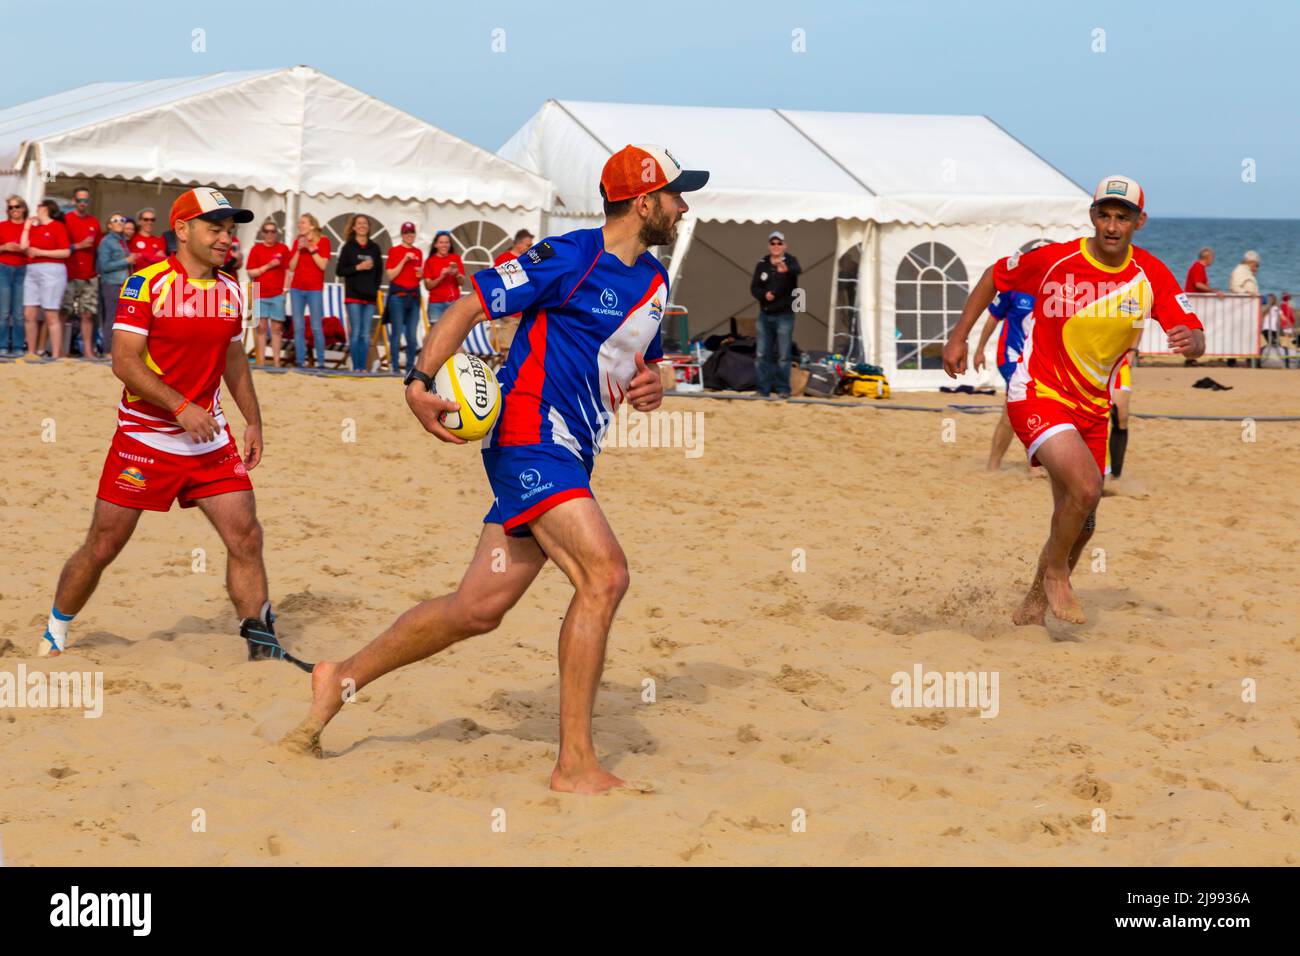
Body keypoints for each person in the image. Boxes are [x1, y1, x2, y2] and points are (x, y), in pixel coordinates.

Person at [282, 143, 709, 794]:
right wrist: (419, 381)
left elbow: (642, 362)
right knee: (606, 575)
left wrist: (658, 381)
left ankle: (339, 676)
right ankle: (575, 764)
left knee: (477, 609)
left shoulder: (653, 281)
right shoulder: (568, 256)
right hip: (528, 436)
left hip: (571, 453)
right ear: (643, 202)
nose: (683, 206)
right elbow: (469, 304)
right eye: (676, 195)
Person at [39, 186, 305, 670]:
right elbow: (124, 361)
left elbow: (233, 359)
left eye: (230, 230)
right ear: (182, 230)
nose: (227, 238)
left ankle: (260, 636)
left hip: (211, 439)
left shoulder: (229, 288)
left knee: (246, 536)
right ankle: (57, 626)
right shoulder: (146, 283)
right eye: (215, 228)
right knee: (103, 545)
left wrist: (253, 421)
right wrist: (181, 406)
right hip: (145, 438)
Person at [943, 174, 1205, 626]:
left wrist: (1193, 340)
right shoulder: (1055, 259)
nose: (1111, 225)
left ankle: (1032, 604)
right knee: (1087, 488)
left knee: (1082, 521)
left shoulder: (1150, 274)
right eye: (1104, 214)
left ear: (1139, 222)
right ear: (1092, 216)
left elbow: (1195, 333)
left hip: (1092, 408)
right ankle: (1057, 574)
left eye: (1122, 217)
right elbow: (993, 276)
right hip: (1038, 391)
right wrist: (959, 336)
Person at [972, 288, 1040, 473]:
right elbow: (993, 318)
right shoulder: (1014, 289)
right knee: (1020, 408)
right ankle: (1004, 465)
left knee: (1020, 410)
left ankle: (1002, 464)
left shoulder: (1053, 287)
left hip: (1036, 360)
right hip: (1010, 357)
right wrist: (980, 350)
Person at [750, 230, 802, 398]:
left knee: (783, 355)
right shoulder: (762, 263)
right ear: (769, 245)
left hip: (784, 315)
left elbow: (797, 271)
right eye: (773, 243)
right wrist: (764, 295)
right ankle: (762, 390)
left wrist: (785, 270)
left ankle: (783, 390)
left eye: (779, 243)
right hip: (765, 315)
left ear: (784, 245)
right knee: (761, 354)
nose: (776, 246)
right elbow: (754, 287)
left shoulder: (790, 261)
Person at [21, 199, 71, 359]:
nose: (37, 208)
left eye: (40, 206)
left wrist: (41, 252)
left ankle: (56, 353)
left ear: (47, 209)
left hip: (52, 269)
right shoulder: (35, 228)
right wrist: (27, 227)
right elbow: (23, 247)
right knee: (29, 312)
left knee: (51, 313)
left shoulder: (58, 226)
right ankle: (31, 351)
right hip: (32, 269)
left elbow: (65, 252)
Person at [335, 213, 383, 371]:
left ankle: (364, 367)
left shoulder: (375, 248)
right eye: (359, 223)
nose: (362, 226)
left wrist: (374, 290)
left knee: (364, 334)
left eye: (365, 223)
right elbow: (339, 270)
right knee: (355, 333)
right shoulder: (348, 247)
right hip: (353, 297)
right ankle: (356, 367)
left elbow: (379, 274)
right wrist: (358, 267)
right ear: (354, 227)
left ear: (368, 228)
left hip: (369, 298)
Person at [63, 187, 103, 358]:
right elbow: (59, 246)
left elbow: (99, 248)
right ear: (74, 201)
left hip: (89, 274)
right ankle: (59, 350)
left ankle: (87, 351)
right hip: (69, 272)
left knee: (87, 314)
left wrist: (98, 271)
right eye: (79, 200)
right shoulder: (66, 220)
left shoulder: (94, 222)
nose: (82, 204)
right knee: (64, 312)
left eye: (85, 201)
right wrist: (79, 245)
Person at [287, 213, 330, 368]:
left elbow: (323, 265)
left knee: (316, 326)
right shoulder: (297, 242)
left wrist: (311, 249)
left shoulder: (323, 241)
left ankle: (321, 362)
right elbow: (291, 267)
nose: (300, 225)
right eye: (299, 223)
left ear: (312, 225)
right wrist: (298, 250)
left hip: (314, 290)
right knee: (298, 327)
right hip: (297, 289)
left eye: (303, 223)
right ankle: (300, 361)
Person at [245, 219, 290, 367]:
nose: (270, 234)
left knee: (277, 329)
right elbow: (250, 272)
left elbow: (289, 271)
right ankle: (261, 362)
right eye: (267, 231)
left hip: (277, 294)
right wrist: (268, 266)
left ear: (276, 233)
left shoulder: (283, 249)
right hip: (260, 293)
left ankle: (277, 363)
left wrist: (285, 290)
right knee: (262, 328)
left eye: (273, 231)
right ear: (262, 233)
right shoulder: (256, 249)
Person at [383, 221, 423, 375]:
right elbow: (390, 275)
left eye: (412, 233)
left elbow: (417, 277)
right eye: (407, 233)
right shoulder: (394, 251)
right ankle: (393, 367)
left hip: (413, 297)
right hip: (397, 298)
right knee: (396, 333)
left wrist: (420, 275)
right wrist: (404, 260)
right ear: (402, 235)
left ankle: (409, 369)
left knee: (412, 336)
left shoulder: (418, 252)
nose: (409, 235)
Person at [95, 212, 133, 356]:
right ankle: (107, 350)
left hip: (122, 283)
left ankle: (115, 350)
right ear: (109, 225)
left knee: (120, 318)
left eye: (122, 220)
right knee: (111, 317)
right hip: (112, 283)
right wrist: (126, 261)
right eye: (115, 220)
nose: (119, 222)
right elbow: (104, 266)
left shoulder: (121, 241)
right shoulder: (107, 241)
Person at [0, 195, 28, 356]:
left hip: (23, 269)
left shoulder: (28, 227)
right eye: (11, 208)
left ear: (23, 208)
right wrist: (5, 247)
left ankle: (18, 345)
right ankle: (2, 345)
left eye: (17, 207)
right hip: (4, 268)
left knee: (18, 313)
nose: (14, 210)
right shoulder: (2, 226)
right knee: (3, 312)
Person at [421, 230, 463, 327]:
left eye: (447, 242)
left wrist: (457, 274)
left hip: (453, 302)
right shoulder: (430, 261)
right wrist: (441, 277)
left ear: (450, 244)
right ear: (435, 245)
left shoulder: (455, 258)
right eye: (441, 242)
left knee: (454, 334)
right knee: (436, 336)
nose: (444, 245)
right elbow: (428, 286)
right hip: (436, 304)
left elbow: (462, 282)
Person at [1105, 348, 1135, 479]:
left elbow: (1138, 326)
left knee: (1120, 417)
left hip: (1118, 362)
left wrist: (1133, 351)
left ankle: (1115, 474)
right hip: (1090, 360)